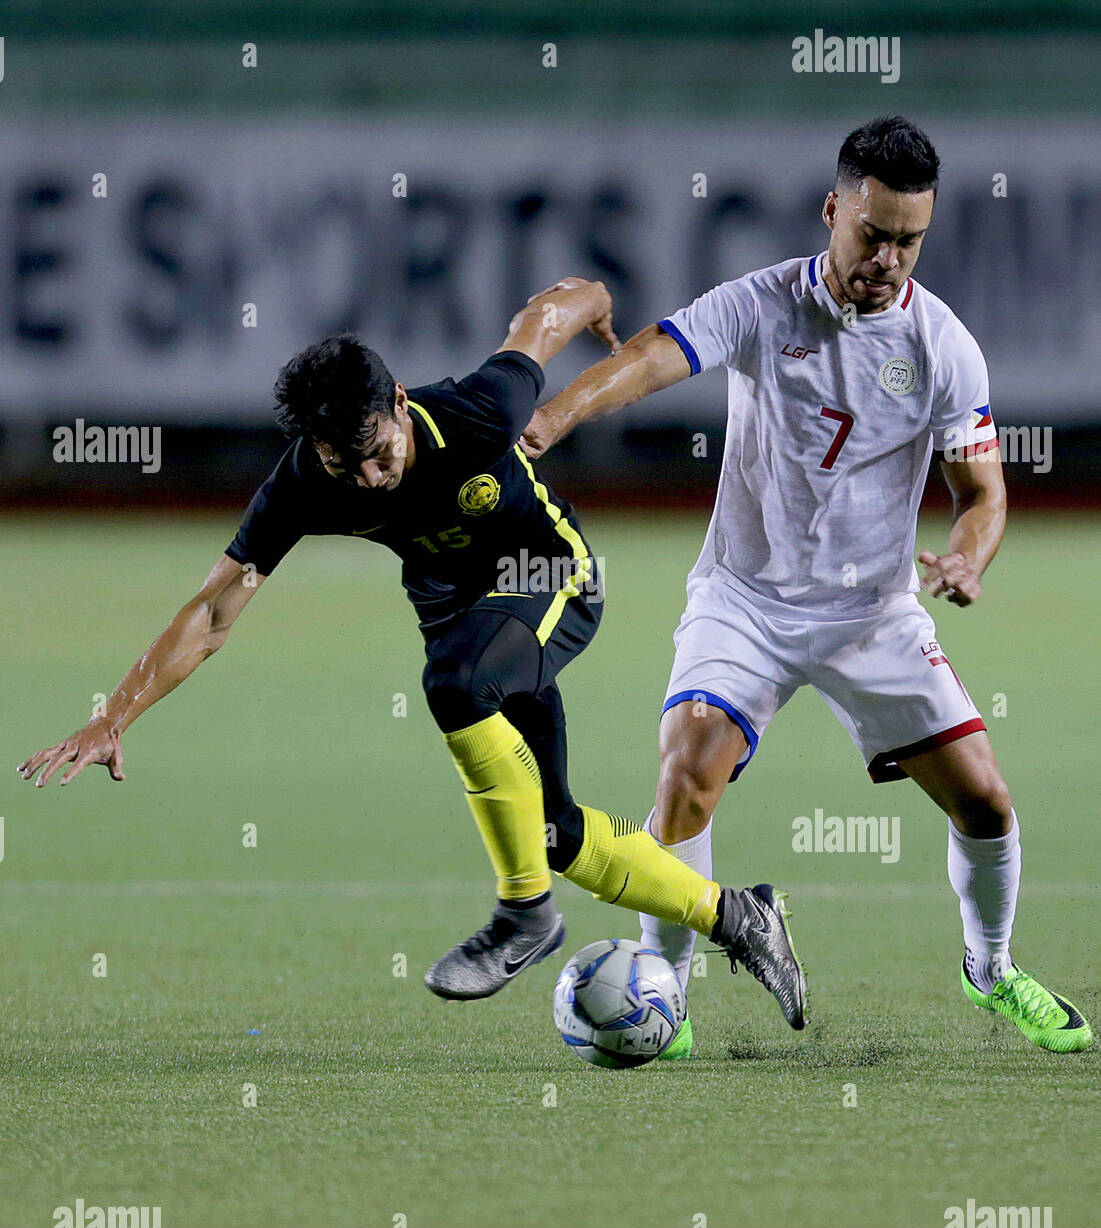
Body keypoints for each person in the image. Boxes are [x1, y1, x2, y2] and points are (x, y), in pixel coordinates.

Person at [19, 275, 805, 1026]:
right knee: (553, 829)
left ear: (399, 402)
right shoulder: (304, 483)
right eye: (339, 462)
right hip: (466, 620)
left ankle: (522, 915)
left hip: (551, 580)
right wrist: (114, 715)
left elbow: (541, 322)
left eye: (375, 450)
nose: (366, 478)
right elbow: (213, 611)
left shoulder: (478, 412)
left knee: (455, 684)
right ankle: (738, 915)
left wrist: (595, 301)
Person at [521, 118, 1090, 1057]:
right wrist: (553, 415)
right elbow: (652, 357)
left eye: (909, 240)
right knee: (684, 777)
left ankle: (988, 970)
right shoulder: (761, 305)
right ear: (833, 211)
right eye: (873, 234)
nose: (889, 259)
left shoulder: (943, 345)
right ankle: (669, 995)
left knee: (986, 804)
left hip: (872, 613)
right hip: (744, 602)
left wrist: (966, 558)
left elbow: (981, 494)